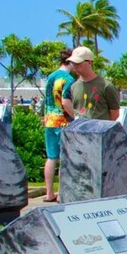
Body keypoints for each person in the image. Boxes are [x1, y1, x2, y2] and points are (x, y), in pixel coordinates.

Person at [40, 49, 75, 202]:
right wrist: (76, 117)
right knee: (64, 158)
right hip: (64, 121)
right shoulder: (68, 79)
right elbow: (65, 103)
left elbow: (46, 100)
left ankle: (49, 193)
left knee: (51, 157)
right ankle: (61, 194)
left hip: (49, 120)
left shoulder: (51, 77)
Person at [66, 46, 120, 121]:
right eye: (73, 63)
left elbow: (115, 114)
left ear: (89, 62)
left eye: (78, 63)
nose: (75, 66)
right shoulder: (73, 87)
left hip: (100, 130)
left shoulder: (107, 86)